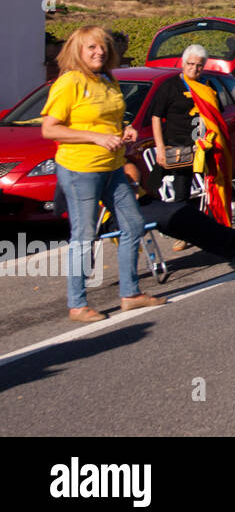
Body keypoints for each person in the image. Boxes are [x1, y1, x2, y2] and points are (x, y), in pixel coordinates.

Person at [40, 26, 167, 323]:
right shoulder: (69, 82)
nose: (99, 52)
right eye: (91, 48)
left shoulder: (108, 79)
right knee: (84, 235)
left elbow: (110, 117)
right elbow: (49, 128)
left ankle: (130, 295)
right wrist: (95, 138)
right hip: (80, 170)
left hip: (113, 167)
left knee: (134, 224)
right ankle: (77, 304)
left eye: (103, 48)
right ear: (78, 51)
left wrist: (125, 130)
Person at [144, 44, 235, 262]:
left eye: (198, 65)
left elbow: (215, 118)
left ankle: (218, 225)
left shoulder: (207, 87)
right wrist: (159, 147)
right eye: (190, 64)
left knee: (215, 186)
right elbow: (156, 117)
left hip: (204, 148)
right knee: (180, 192)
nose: (194, 68)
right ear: (182, 63)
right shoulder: (169, 87)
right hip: (177, 149)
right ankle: (184, 232)